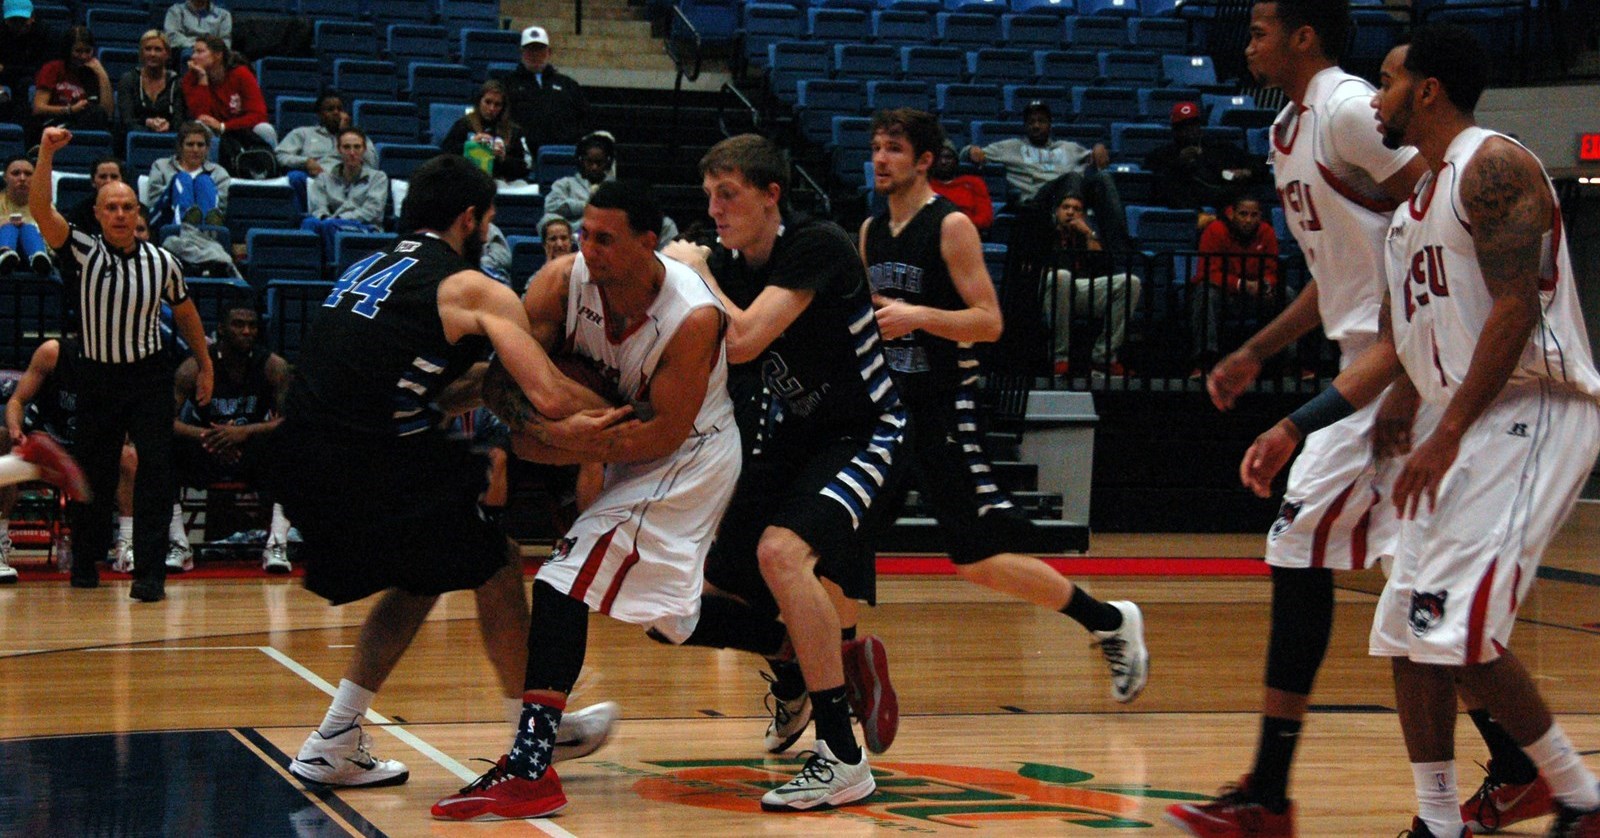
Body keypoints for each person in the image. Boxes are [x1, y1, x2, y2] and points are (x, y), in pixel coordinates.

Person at [1233, 25, 1600, 838]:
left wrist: (1445, 427)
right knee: (1406, 627)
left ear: (1427, 90)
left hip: (1532, 410)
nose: (1378, 96)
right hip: (1460, 419)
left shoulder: (1494, 164)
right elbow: (1399, 348)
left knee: (1457, 630)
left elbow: (1516, 309)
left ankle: (1580, 797)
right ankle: (1439, 821)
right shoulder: (1409, 216)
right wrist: (1300, 425)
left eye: (1391, 80)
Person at [1161, 4, 1513, 835]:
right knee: (1418, 587)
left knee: (1300, 540)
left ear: (1305, 36)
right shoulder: (1292, 127)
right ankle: (1523, 758)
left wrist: (1408, 371)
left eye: (1260, 27)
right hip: (1368, 359)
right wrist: (1256, 348)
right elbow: (1345, 269)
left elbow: (1430, 218)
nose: (1247, 42)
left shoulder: (1353, 109)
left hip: (1398, 370)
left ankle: (1270, 794)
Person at [269, 153, 615, 791]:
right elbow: (551, 395)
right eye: (487, 220)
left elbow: (420, 385)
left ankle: (336, 738)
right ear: (471, 218)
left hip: (304, 455)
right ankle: (532, 730)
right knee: (497, 559)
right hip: (371, 457)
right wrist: (650, 424)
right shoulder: (471, 286)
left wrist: (485, 390)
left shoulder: (367, 266)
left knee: (423, 574)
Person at [431, 178, 743, 821]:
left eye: (604, 239)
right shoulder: (558, 284)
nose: (588, 250)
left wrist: (555, 443)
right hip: (618, 443)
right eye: (582, 235)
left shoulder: (693, 314)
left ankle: (530, 767)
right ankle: (797, 651)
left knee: (563, 579)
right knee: (669, 620)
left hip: (690, 456)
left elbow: (663, 431)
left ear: (647, 243)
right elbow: (501, 385)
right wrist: (550, 433)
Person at [863, 108, 1148, 697]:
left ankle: (1110, 620)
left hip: (946, 407)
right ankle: (818, 682)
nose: (880, 159)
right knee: (841, 540)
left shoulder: (951, 226)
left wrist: (917, 316)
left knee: (977, 560)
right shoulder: (869, 230)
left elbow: (989, 322)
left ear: (923, 161)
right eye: (875, 148)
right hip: (890, 410)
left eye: (893, 149)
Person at [664, 134, 909, 811]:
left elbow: (742, 339)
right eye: (709, 196)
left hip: (870, 433)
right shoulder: (734, 262)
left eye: (729, 195)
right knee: (713, 583)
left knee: (782, 552)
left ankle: (841, 756)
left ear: (772, 195)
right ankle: (798, 668)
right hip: (801, 439)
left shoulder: (818, 245)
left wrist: (701, 274)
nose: (714, 210)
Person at [30, 125, 214, 602]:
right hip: (96, 376)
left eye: (127, 207)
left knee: (155, 470)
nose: (119, 213)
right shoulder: (82, 251)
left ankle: (149, 573)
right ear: (97, 213)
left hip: (148, 375)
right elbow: (39, 210)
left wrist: (205, 365)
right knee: (94, 472)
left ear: (138, 213)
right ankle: (87, 562)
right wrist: (47, 152)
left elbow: (187, 312)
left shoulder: (162, 261)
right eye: (110, 207)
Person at [167, 302, 293, 573]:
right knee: (161, 451)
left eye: (252, 326)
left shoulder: (273, 366)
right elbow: (164, 422)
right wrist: (210, 436)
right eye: (238, 324)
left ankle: (277, 543)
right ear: (221, 330)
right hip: (204, 448)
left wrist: (242, 433)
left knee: (290, 450)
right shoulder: (194, 368)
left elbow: (289, 423)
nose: (247, 331)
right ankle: (179, 543)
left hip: (249, 451)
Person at [3, 333, 140, 574]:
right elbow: (17, 400)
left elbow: (125, 417)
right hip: (47, 438)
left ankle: (126, 546)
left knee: (128, 457)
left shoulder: (119, 362)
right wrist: (16, 430)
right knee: (2, 439)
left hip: (90, 446)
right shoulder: (54, 353)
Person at [963, 100, 1127, 247]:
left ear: (1050, 124)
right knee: (1072, 177)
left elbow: (1098, 157)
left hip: (1073, 199)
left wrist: (1099, 147)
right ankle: (1070, 231)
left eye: (1041, 121)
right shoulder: (1011, 147)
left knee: (1103, 178)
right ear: (1025, 125)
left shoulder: (1068, 148)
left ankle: (1119, 246)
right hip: (1038, 204)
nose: (1036, 126)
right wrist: (970, 150)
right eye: (1031, 122)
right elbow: (966, 154)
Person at [1048, 191, 1141, 378]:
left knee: (1131, 282)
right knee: (1061, 277)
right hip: (1049, 290)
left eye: (1076, 209)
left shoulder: (1086, 235)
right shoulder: (1045, 233)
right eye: (1066, 208)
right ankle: (1060, 358)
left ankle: (1103, 358)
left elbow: (1103, 267)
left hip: (1081, 290)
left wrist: (1089, 234)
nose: (1070, 213)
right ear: (1057, 211)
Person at [1189, 195, 1281, 376]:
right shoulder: (1215, 230)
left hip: (1256, 297)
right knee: (1205, 293)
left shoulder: (1267, 232)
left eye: (1254, 215)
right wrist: (1241, 284)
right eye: (1243, 214)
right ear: (1232, 214)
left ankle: (1293, 363)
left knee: (1287, 294)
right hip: (1225, 296)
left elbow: (1273, 270)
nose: (1248, 220)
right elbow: (1207, 272)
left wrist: (1266, 284)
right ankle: (1205, 362)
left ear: (1260, 216)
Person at [542, 132, 680, 247]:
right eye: (590, 162)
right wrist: (588, 207)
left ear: (608, 162)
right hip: (575, 232)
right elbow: (551, 206)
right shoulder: (565, 184)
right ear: (581, 161)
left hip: (610, 231)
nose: (594, 167)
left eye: (599, 163)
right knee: (549, 221)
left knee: (667, 224)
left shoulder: (618, 188)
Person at [1144, 101, 1268, 226]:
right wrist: (1180, 163)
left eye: (1193, 125)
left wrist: (1245, 172)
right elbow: (1155, 183)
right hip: (1186, 201)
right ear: (1175, 130)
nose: (1189, 130)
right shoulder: (1162, 154)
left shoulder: (1218, 148)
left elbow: (1261, 163)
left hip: (1220, 195)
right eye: (1183, 127)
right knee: (1168, 182)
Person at [143, 121, 236, 277]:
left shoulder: (219, 173)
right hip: (167, 223)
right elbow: (154, 200)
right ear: (180, 147)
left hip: (206, 230)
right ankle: (188, 236)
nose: (195, 150)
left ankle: (194, 246)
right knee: (183, 180)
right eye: (190, 144)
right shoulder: (161, 166)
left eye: (200, 145)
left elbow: (221, 207)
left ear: (207, 149)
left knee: (205, 182)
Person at [181, 34, 275, 177]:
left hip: (242, 130)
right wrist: (203, 80)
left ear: (218, 55)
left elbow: (258, 114)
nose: (193, 57)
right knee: (200, 127)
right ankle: (208, 177)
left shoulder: (241, 74)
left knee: (265, 129)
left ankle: (270, 173)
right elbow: (202, 116)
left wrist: (224, 126)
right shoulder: (191, 78)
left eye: (200, 52)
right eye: (194, 51)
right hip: (213, 130)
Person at [276, 91, 376, 212]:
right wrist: (305, 161)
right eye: (330, 109)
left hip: (346, 181)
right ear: (320, 114)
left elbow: (372, 164)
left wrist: (346, 132)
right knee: (295, 177)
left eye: (339, 109)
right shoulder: (303, 133)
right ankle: (302, 216)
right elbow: (280, 155)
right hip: (314, 179)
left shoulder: (356, 137)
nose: (336, 112)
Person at [499, 25, 586, 157]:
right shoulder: (507, 84)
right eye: (530, 50)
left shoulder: (568, 85)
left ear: (549, 52)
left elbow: (583, 117)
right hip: (520, 156)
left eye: (540, 49)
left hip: (562, 155)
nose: (535, 55)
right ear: (522, 52)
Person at [299, 126, 388, 254]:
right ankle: (309, 266)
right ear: (339, 150)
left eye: (357, 147)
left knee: (329, 226)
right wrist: (326, 218)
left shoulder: (378, 177)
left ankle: (332, 269)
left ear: (364, 150)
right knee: (309, 223)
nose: (352, 152)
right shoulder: (324, 178)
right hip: (330, 224)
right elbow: (318, 208)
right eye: (346, 147)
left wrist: (338, 218)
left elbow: (372, 211)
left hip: (366, 228)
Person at [440, 80, 529, 184]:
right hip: (467, 180)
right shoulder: (464, 124)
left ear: (503, 107)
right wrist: (471, 146)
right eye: (488, 102)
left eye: (497, 105)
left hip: (501, 181)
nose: (491, 108)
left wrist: (503, 159)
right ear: (479, 101)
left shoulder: (512, 131)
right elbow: (445, 155)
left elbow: (524, 167)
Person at [31, 26, 113, 136]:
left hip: (86, 126)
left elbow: (106, 113)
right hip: (55, 124)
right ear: (68, 50)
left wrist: (102, 74)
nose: (83, 56)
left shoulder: (93, 73)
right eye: (78, 51)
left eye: (87, 51)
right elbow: (38, 108)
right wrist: (70, 110)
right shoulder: (52, 69)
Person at [115, 31, 185, 146]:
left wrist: (168, 126)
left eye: (158, 49)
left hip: (168, 140)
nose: (152, 54)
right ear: (141, 53)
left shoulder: (177, 83)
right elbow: (127, 120)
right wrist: (147, 122)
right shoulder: (128, 80)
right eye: (148, 49)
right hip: (135, 140)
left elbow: (179, 121)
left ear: (167, 54)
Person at [0, 0, 56, 125]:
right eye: (14, 20)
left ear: (32, 18)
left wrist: (6, 69)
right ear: (6, 20)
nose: (19, 25)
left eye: (23, 20)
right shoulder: (2, 33)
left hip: (33, 80)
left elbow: (45, 68)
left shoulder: (46, 34)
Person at [0, 155, 54, 275]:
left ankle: (38, 259)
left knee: (28, 228)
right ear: (5, 177)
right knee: (8, 228)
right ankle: (5, 256)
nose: (22, 178)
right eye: (16, 173)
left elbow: (55, 243)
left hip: (37, 266)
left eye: (28, 174)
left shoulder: (45, 206)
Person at [927, 140, 992, 234]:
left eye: (948, 157)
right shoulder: (923, 184)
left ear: (956, 161)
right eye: (939, 158)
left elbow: (986, 218)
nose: (943, 162)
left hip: (968, 235)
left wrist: (957, 226)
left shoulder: (974, 183)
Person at [163, 0, 231, 54]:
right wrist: (199, 46)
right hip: (185, 52)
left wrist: (208, 50)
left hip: (213, 55)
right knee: (188, 53)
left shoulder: (224, 15)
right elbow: (172, 36)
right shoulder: (175, 11)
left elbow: (225, 42)